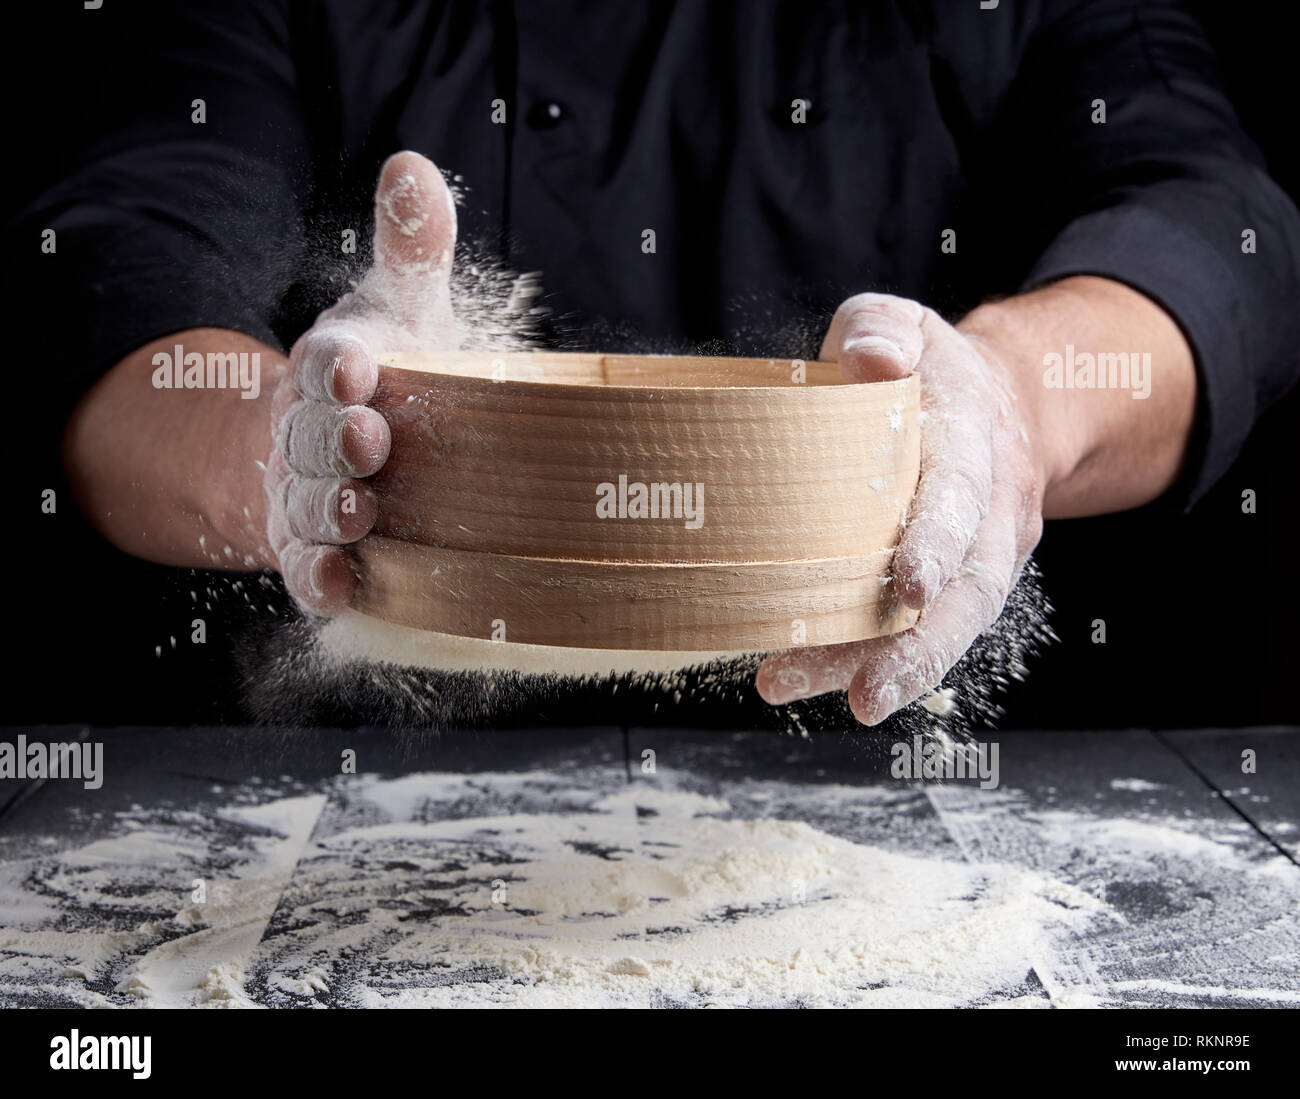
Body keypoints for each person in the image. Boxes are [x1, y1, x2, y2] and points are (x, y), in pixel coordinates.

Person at [15, 0, 1300, 726]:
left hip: (897, 784)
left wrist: (1012, 396)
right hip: (371, 802)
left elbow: (1217, 234)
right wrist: (290, 451)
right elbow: (114, 285)